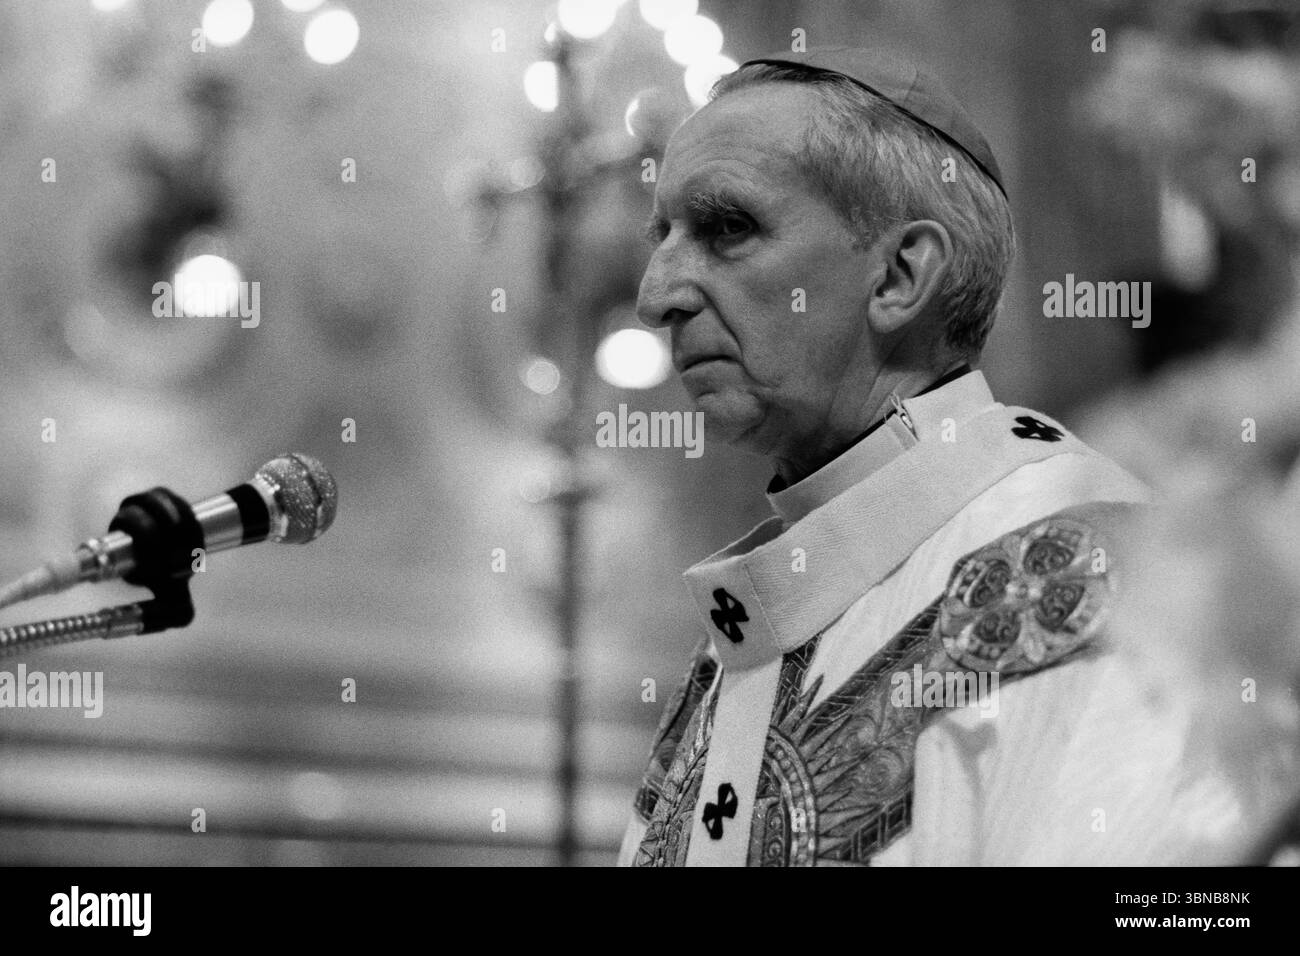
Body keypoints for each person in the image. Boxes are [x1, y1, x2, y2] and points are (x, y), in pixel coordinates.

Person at [617, 46, 1158, 866]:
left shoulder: (1082, 572)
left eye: (728, 228)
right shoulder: (766, 605)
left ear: (901, 275)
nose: (657, 296)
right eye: (663, 234)